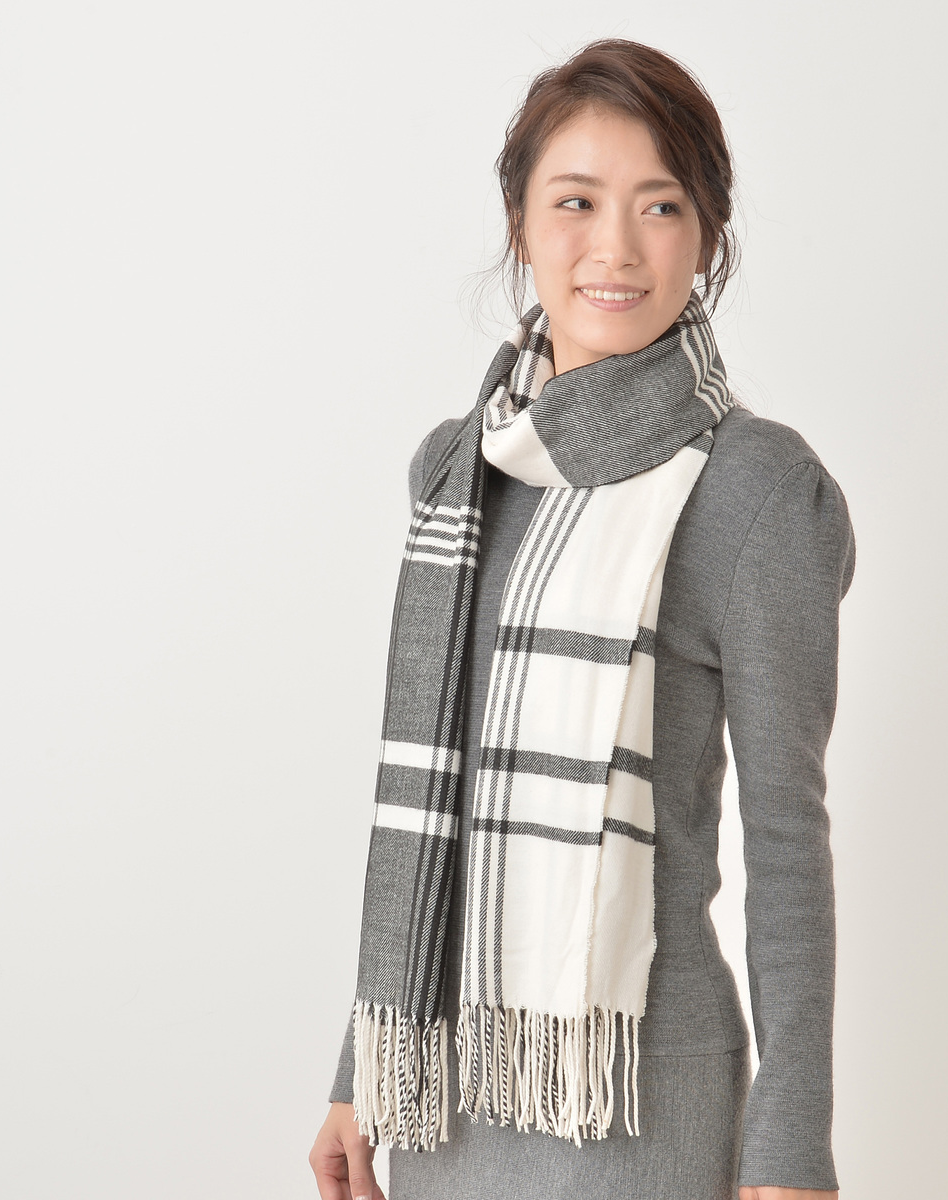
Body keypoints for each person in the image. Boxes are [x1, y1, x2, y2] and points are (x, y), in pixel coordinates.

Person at [310, 38, 854, 1200]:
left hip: (643, 1103)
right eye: (576, 202)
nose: (615, 248)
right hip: (451, 1098)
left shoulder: (756, 492)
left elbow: (787, 847)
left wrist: (791, 1142)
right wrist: (362, 1070)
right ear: (520, 223)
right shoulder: (458, 473)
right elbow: (437, 810)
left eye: (661, 205)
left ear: (706, 237)